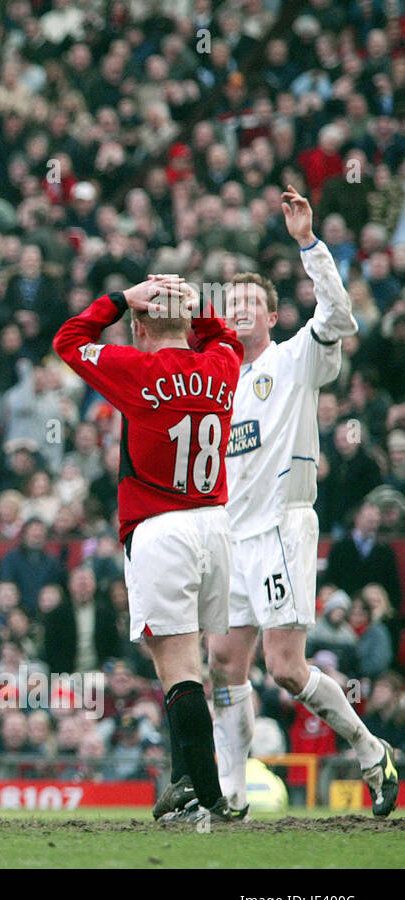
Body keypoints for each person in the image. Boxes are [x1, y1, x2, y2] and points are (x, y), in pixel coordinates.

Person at [203, 188, 398, 819]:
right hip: (233, 536)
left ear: (270, 312)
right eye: (232, 303)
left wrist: (309, 245)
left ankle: (372, 751)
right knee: (224, 661)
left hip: (282, 530)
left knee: (285, 668)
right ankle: (229, 794)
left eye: (252, 303)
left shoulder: (294, 359)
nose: (241, 311)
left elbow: (340, 318)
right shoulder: (217, 381)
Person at [54, 272, 243, 824]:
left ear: (138, 325)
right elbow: (222, 333)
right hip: (215, 523)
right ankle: (189, 785)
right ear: (188, 321)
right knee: (196, 665)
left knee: (177, 669)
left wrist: (118, 298)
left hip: (162, 529)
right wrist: (191, 302)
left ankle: (209, 801)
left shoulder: (136, 369)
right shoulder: (223, 364)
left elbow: (69, 339)